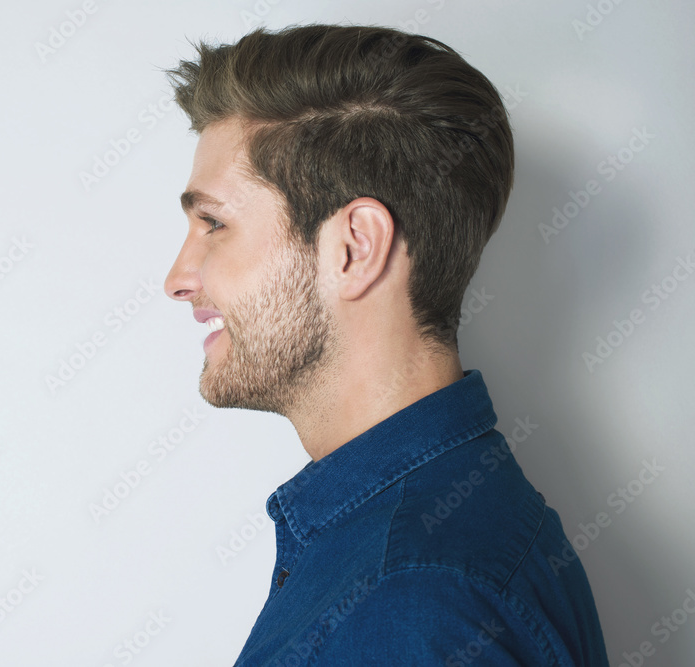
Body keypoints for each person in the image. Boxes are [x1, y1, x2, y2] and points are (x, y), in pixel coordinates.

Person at [162, 24, 609, 665]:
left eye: (213, 224)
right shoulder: (436, 541)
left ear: (355, 248)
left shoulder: (407, 597)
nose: (178, 279)